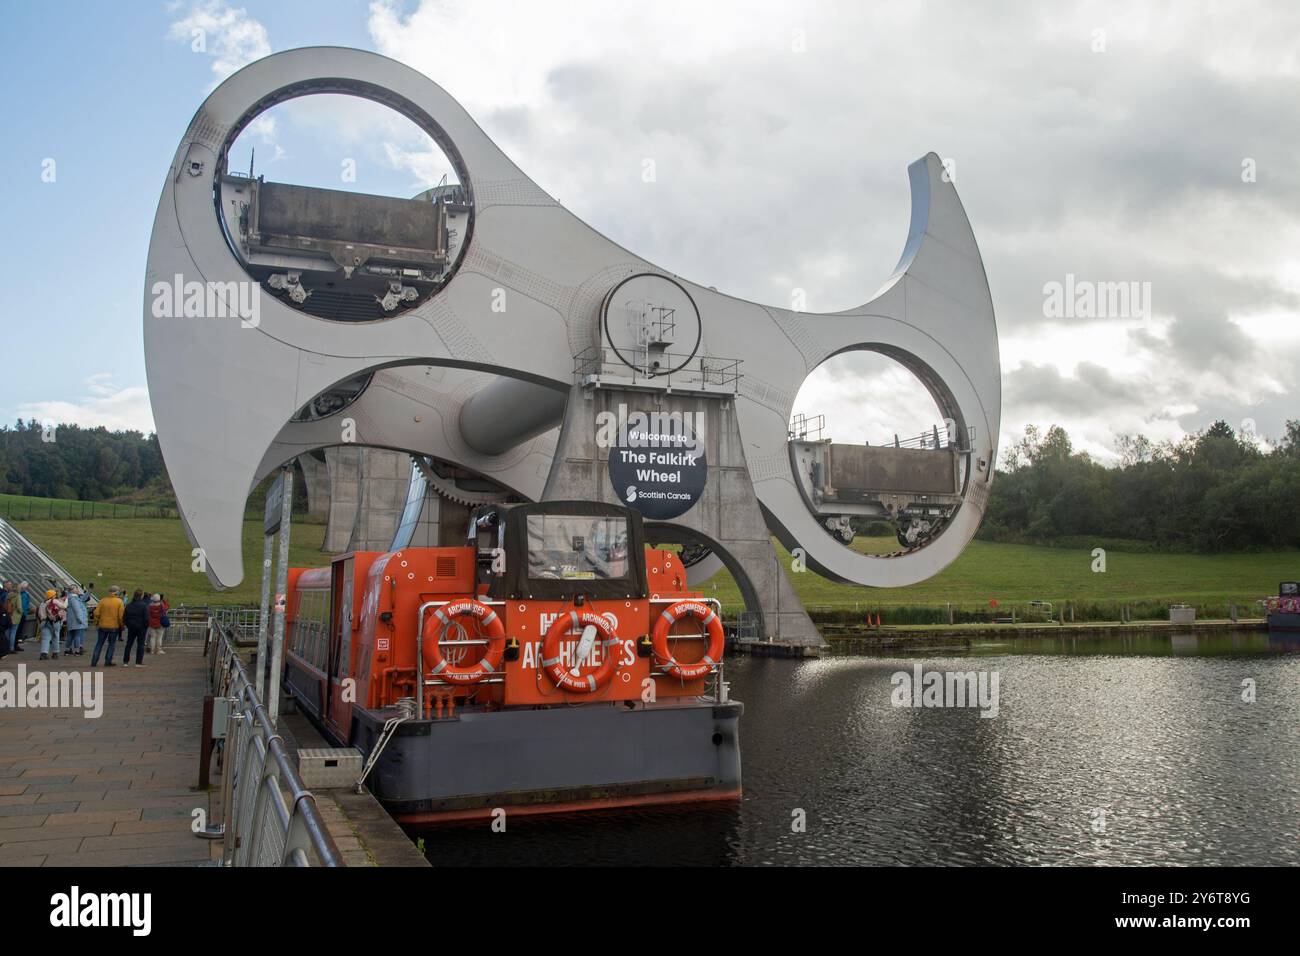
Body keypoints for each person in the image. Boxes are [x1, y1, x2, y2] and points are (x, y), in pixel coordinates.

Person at [91, 585, 126, 667]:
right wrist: (122, 625)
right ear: (117, 593)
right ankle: (108, 661)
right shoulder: (119, 602)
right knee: (111, 644)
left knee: (99, 643)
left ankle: (94, 661)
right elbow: (121, 616)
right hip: (114, 626)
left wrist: (96, 622)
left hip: (102, 625)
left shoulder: (103, 600)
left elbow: (96, 613)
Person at [122, 589, 150, 667]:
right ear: (141, 596)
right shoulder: (144, 605)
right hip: (141, 627)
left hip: (131, 627)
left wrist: (128, 625)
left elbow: (124, 618)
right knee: (140, 644)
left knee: (129, 644)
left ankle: (125, 661)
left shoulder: (129, 605)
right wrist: (145, 626)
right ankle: (138, 662)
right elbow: (146, 618)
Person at [37, 589, 66, 660]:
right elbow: (64, 607)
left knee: (45, 638)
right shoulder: (54, 601)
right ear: (53, 596)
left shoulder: (42, 603)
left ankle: (44, 653)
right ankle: (55, 653)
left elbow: (39, 614)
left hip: (44, 622)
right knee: (55, 637)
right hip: (55, 622)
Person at [64, 586, 89, 655]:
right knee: (77, 635)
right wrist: (80, 619)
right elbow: (77, 610)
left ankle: (67, 650)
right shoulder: (74, 598)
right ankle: (77, 650)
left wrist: (89, 591)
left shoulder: (71, 597)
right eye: (75, 588)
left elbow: (84, 598)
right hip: (77, 620)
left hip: (71, 620)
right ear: (72, 590)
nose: (77, 589)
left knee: (70, 635)